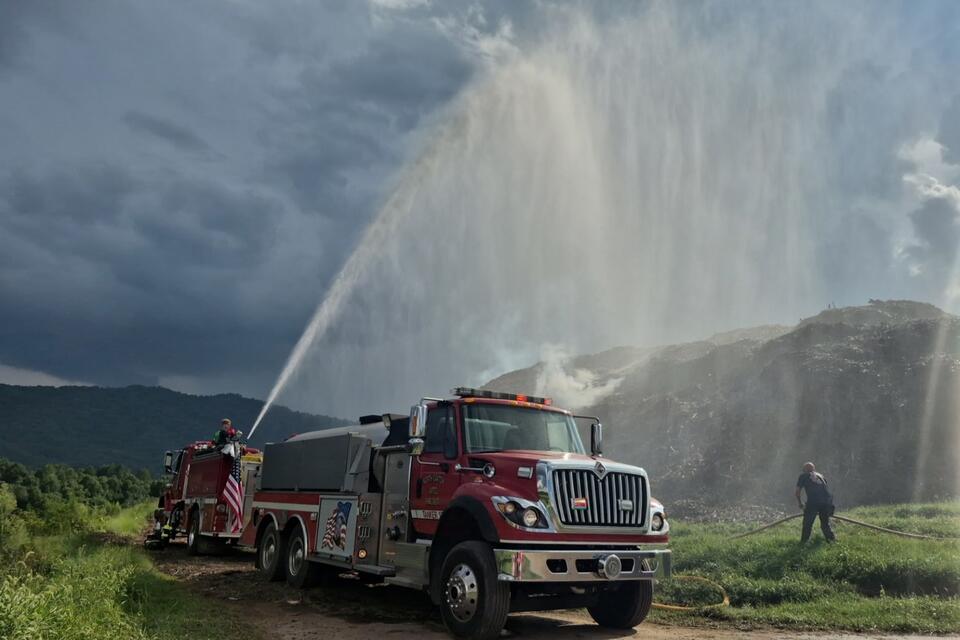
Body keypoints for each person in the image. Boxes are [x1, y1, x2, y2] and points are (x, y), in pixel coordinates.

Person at [795, 461, 836, 543]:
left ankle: (804, 542)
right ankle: (831, 541)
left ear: (805, 470)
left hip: (813, 502)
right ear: (813, 469)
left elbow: (797, 492)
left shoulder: (803, 476)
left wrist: (800, 503)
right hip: (826, 502)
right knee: (825, 524)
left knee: (807, 524)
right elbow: (826, 491)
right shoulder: (821, 476)